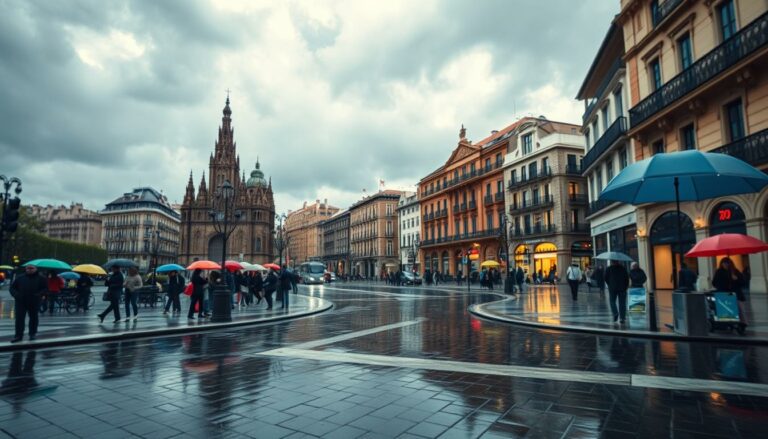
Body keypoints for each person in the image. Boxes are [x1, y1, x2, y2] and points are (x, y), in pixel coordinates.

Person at [9, 264, 47, 342]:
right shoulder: (20, 277)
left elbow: (45, 288)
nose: (29, 270)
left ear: (36, 269)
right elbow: (12, 288)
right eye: (28, 268)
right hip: (21, 301)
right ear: (25, 269)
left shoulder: (41, 278)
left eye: (31, 268)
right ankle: (18, 336)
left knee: (33, 318)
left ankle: (32, 334)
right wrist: (16, 295)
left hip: (34, 301)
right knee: (19, 319)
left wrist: (38, 295)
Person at [712, 257, 747, 326]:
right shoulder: (719, 272)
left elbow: (743, 282)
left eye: (727, 263)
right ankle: (726, 324)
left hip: (736, 294)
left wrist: (736, 279)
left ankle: (743, 323)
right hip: (724, 294)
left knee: (740, 310)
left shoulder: (735, 271)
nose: (726, 265)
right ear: (721, 264)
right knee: (726, 310)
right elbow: (714, 282)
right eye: (724, 263)